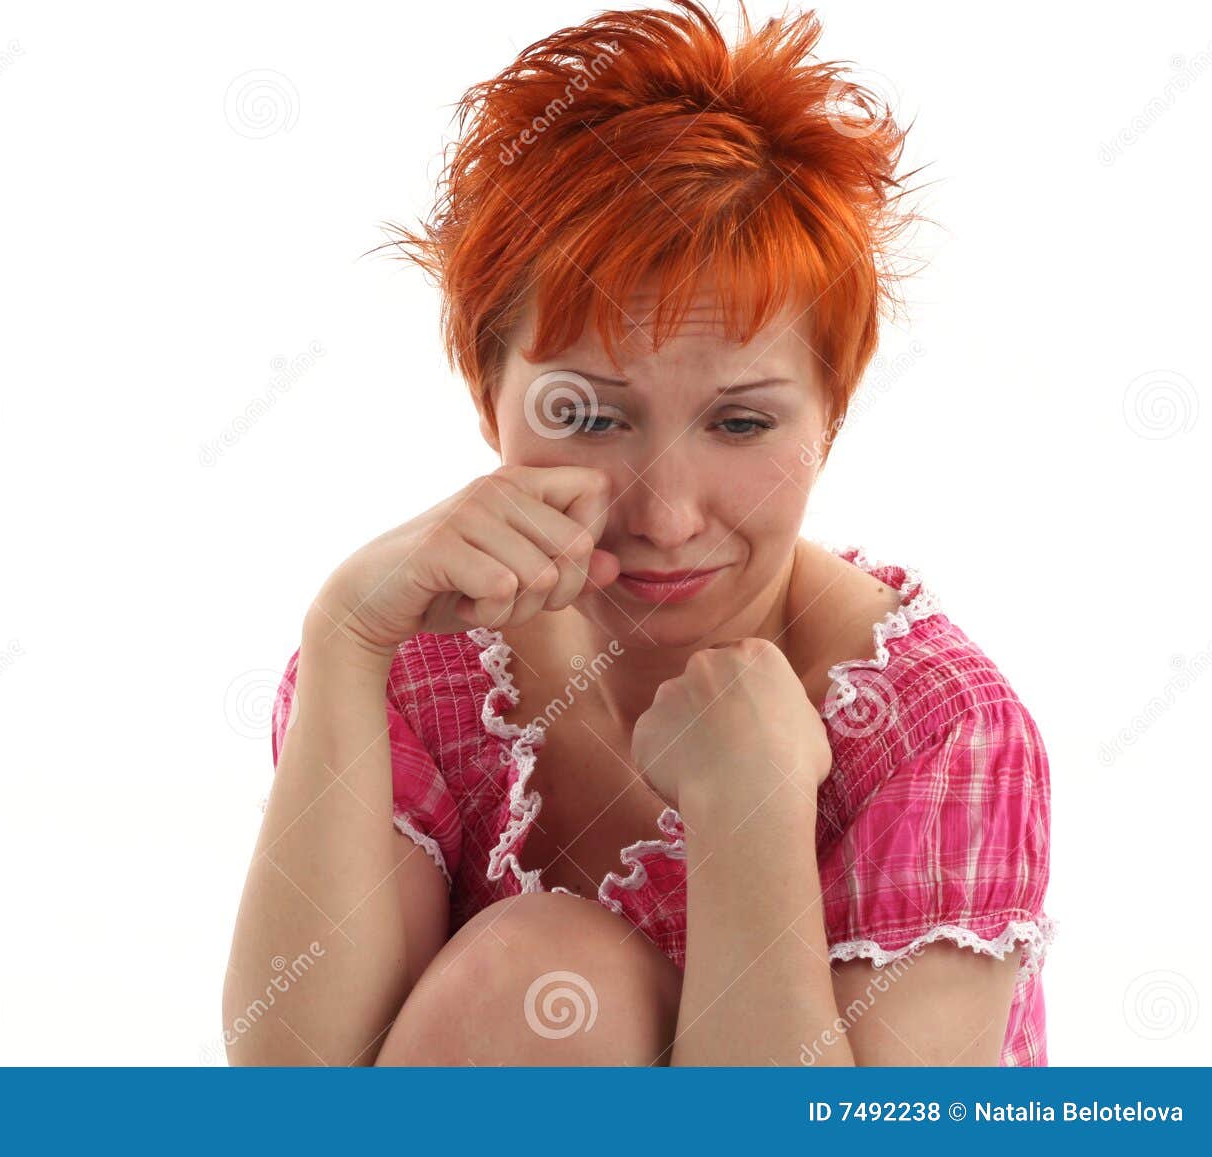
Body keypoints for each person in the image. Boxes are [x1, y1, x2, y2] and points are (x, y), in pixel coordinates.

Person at [224, 0, 1055, 1066]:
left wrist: (752, 820)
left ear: (832, 415)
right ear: (486, 395)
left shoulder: (937, 732)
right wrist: (343, 637)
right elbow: (294, 1092)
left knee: (552, 973)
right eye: (589, 415)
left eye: (740, 423)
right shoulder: (416, 658)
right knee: (544, 973)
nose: (664, 516)